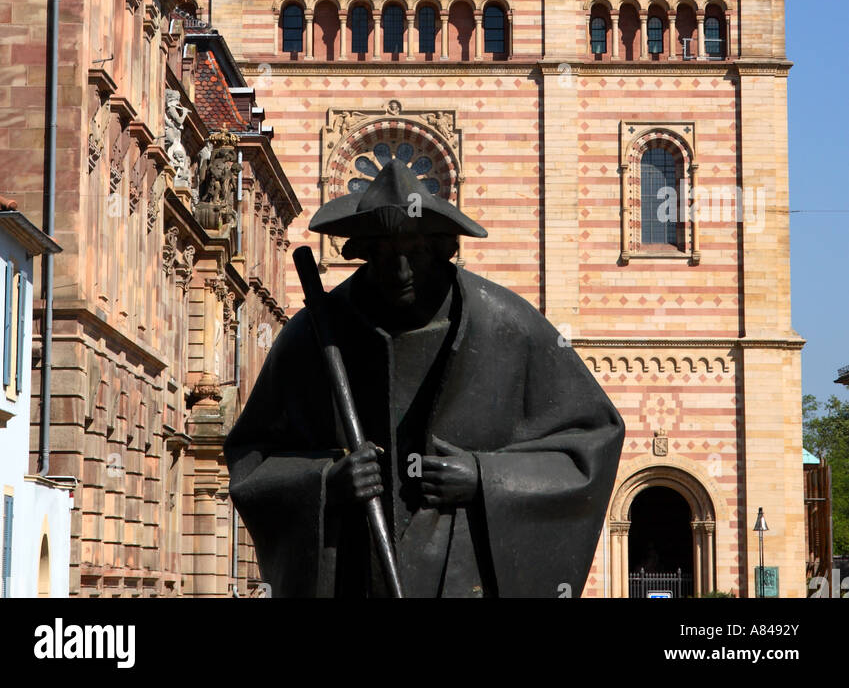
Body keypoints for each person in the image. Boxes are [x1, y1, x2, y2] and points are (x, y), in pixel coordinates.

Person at [224, 160, 624, 598]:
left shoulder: (508, 325)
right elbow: (252, 459)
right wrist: (325, 483)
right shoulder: (312, 336)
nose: (400, 272)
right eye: (383, 255)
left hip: (463, 578)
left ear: (440, 248)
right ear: (361, 252)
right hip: (357, 578)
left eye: (412, 254)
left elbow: (591, 442)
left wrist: (485, 478)